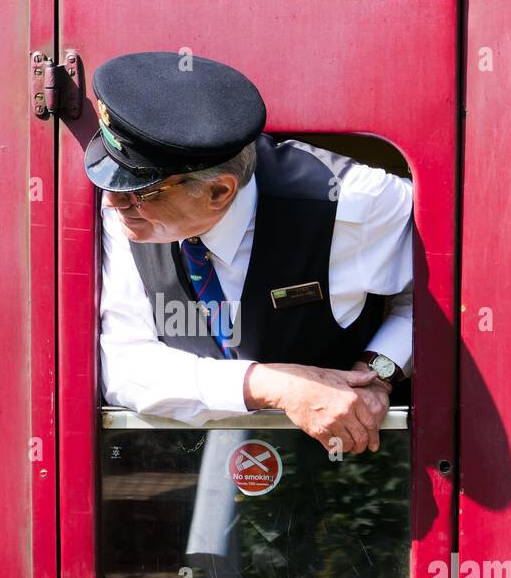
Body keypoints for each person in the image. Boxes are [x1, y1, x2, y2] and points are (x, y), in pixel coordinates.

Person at [92, 51, 414, 457]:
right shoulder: (126, 219)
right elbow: (122, 364)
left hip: (347, 467)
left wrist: (378, 372)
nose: (110, 204)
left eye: (138, 192)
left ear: (219, 191)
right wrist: (274, 386)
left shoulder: (353, 202)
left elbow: (442, 289)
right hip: (193, 465)